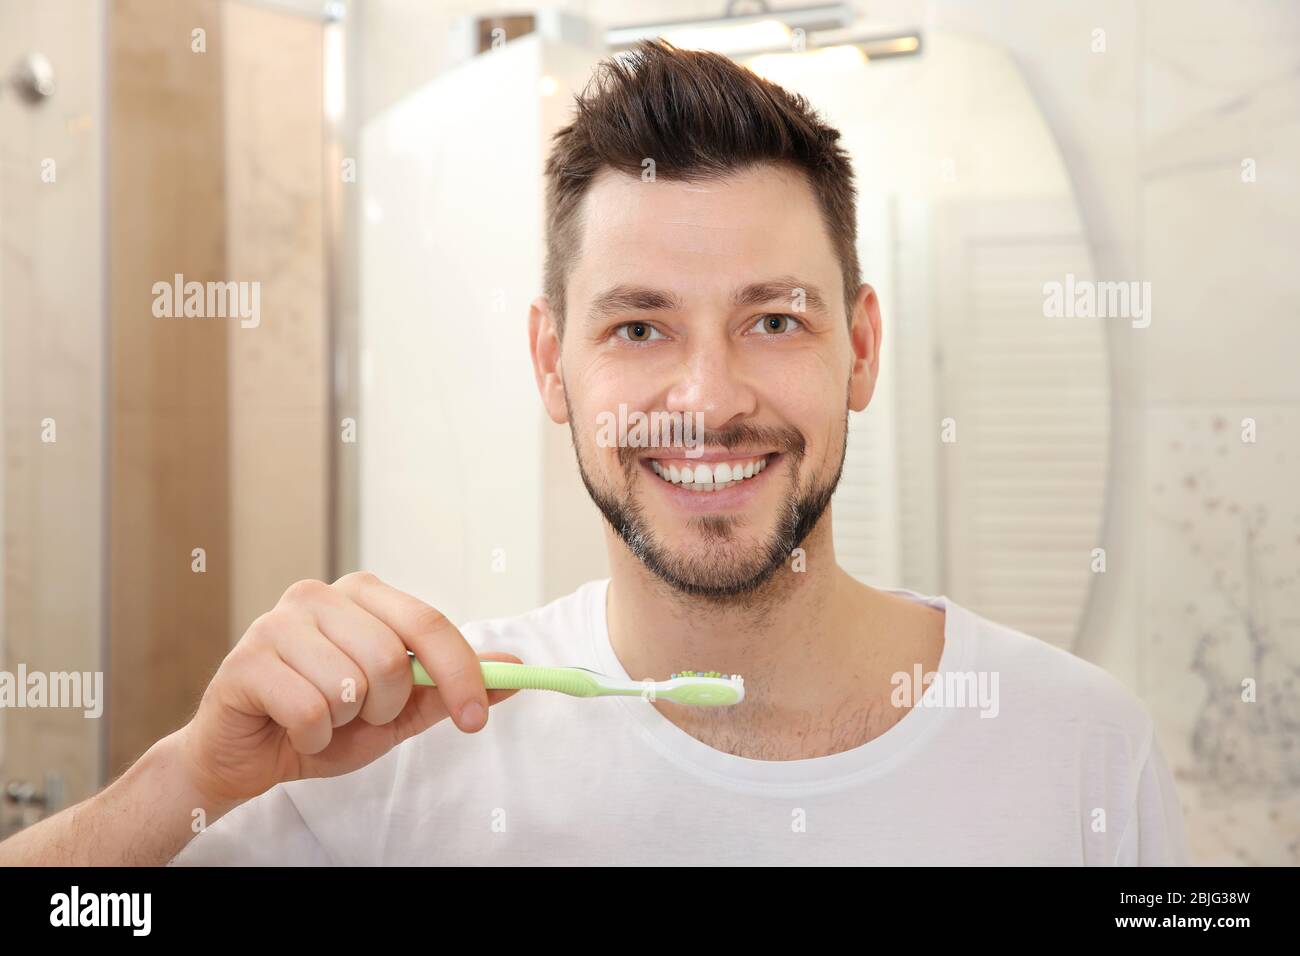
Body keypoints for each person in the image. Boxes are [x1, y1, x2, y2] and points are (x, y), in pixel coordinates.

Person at [0, 39, 1188, 866]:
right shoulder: (397, 757)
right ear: (549, 363)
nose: (708, 399)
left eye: (772, 319)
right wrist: (189, 776)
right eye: (637, 325)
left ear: (862, 348)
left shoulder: (1078, 748)